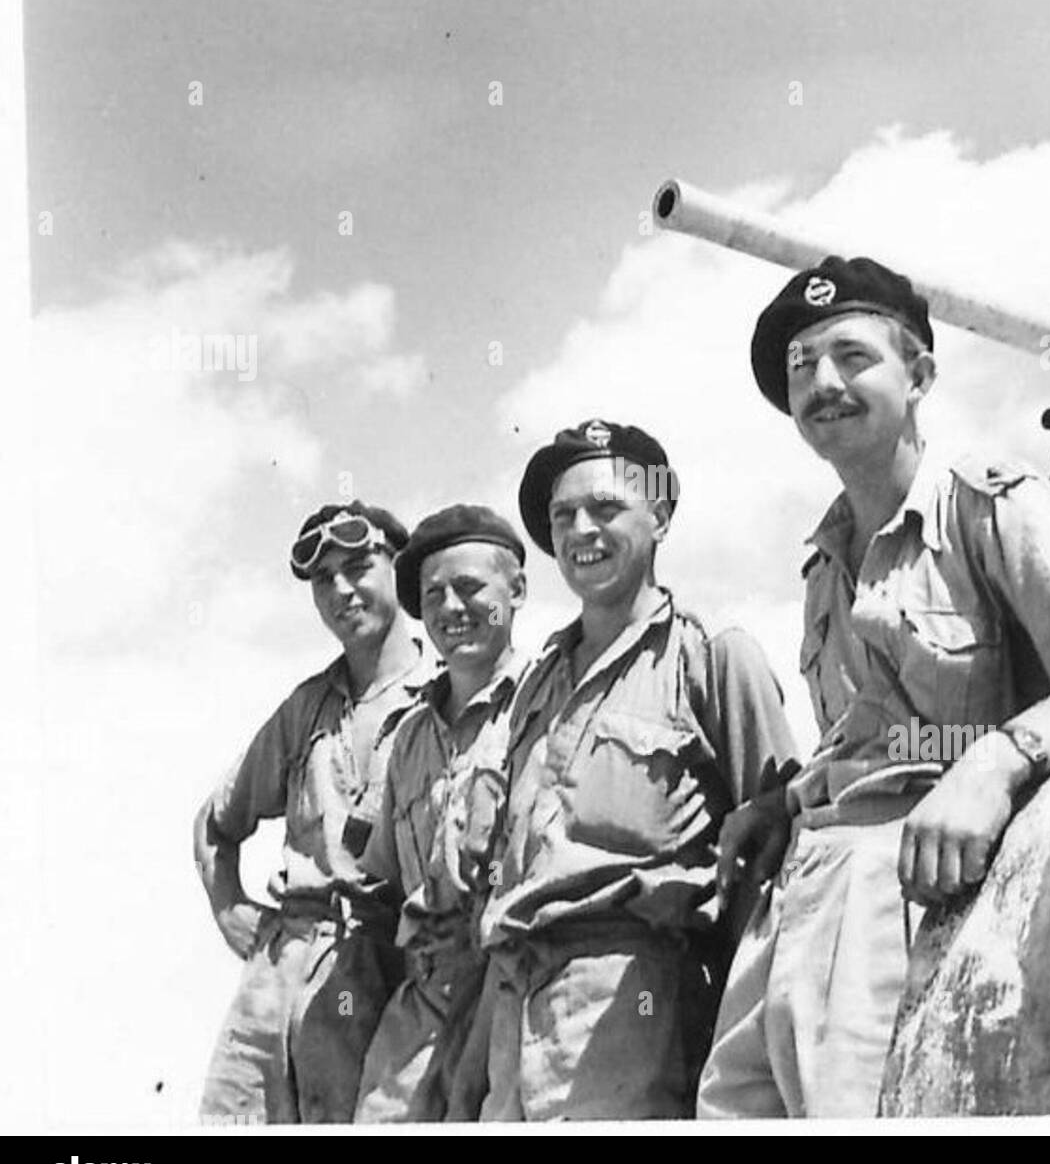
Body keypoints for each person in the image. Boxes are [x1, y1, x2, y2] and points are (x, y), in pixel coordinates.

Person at [697, 256, 1050, 1118]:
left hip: (915, 901)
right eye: (801, 367)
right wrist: (780, 807)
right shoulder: (823, 562)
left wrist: (993, 764)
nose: (822, 383)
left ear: (919, 374)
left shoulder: (989, 505)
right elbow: (875, 735)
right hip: (803, 903)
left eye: (852, 357)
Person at [474, 418, 800, 1120]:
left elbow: (776, 859)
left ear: (661, 514)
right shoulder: (536, 685)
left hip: (638, 1005)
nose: (582, 530)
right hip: (514, 1006)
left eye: (607, 508)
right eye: (564, 516)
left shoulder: (712, 657)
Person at [194, 500, 431, 1123]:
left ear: (399, 569)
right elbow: (216, 821)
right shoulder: (306, 709)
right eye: (323, 580)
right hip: (275, 975)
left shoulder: (445, 697)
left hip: (373, 972)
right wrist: (227, 906)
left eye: (358, 567)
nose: (341, 590)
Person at [353, 505, 529, 1122]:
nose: (453, 608)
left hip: (510, 991)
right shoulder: (407, 739)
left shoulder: (547, 702)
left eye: (470, 587)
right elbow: (382, 884)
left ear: (518, 591)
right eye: (433, 595)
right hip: (421, 1000)